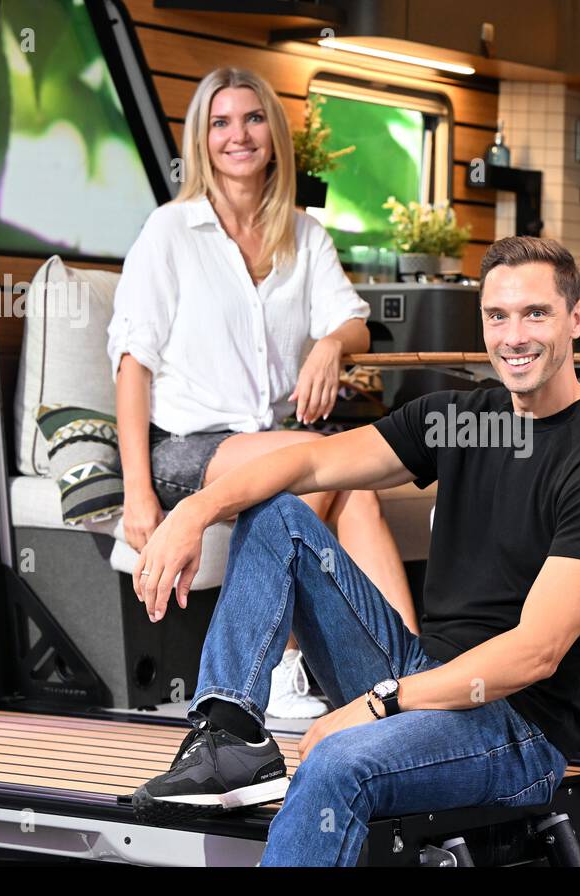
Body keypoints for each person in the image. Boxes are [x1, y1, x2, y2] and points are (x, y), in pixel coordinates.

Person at [130, 236, 580, 866]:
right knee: (276, 517)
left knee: (337, 762)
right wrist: (192, 510)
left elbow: (533, 654)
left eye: (535, 314)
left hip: (516, 728)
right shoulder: (462, 419)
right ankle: (230, 736)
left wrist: (377, 704)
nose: (514, 335)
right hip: (420, 671)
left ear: (576, 320)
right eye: (498, 316)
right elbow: (309, 460)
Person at [106, 66, 417, 719]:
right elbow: (132, 365)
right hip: (188, 449)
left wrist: (331, 345)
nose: (237, 135)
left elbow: (352, 321)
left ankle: (408, 683)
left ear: (273, 135)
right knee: (313, 463)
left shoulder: (304, 236)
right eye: (220, 122)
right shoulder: (170, 232)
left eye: (251, 119)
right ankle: (281, 670)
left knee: (357, 491)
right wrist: (138, 492)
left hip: (270, 442)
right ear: (201, 139)